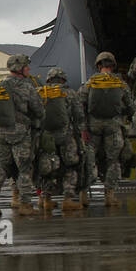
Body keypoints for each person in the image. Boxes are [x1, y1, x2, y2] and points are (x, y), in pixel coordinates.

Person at [0, 53, 44, 217]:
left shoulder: (1, 85)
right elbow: (38, 110)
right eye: (26, 66)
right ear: (20, 68)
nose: (29, 69)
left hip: (0, 133)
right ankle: (25, 204)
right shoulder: (26, 86)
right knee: (24, 168)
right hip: (19, 132)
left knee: (2, 165)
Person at [77, 52, 133, 208]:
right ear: (113, 66)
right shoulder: (120, 83)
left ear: (98, 66)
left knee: (89, 160)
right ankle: (110, 195)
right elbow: (131, 106)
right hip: (113, 127)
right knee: (113, 160)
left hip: (93, 128)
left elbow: (79, 106)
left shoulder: (89, 84)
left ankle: (83, 194)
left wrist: (83, 129)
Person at [38, 67, 85, 214]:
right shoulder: (69, 93)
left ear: (48, 79)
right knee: (70, 166)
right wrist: (80, 134)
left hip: (46, 138)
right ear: (64, 79)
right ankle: (68, 200)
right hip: (66, 136)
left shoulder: (40, 93)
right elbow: (78, 115)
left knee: (47, 168)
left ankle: (46, 199)